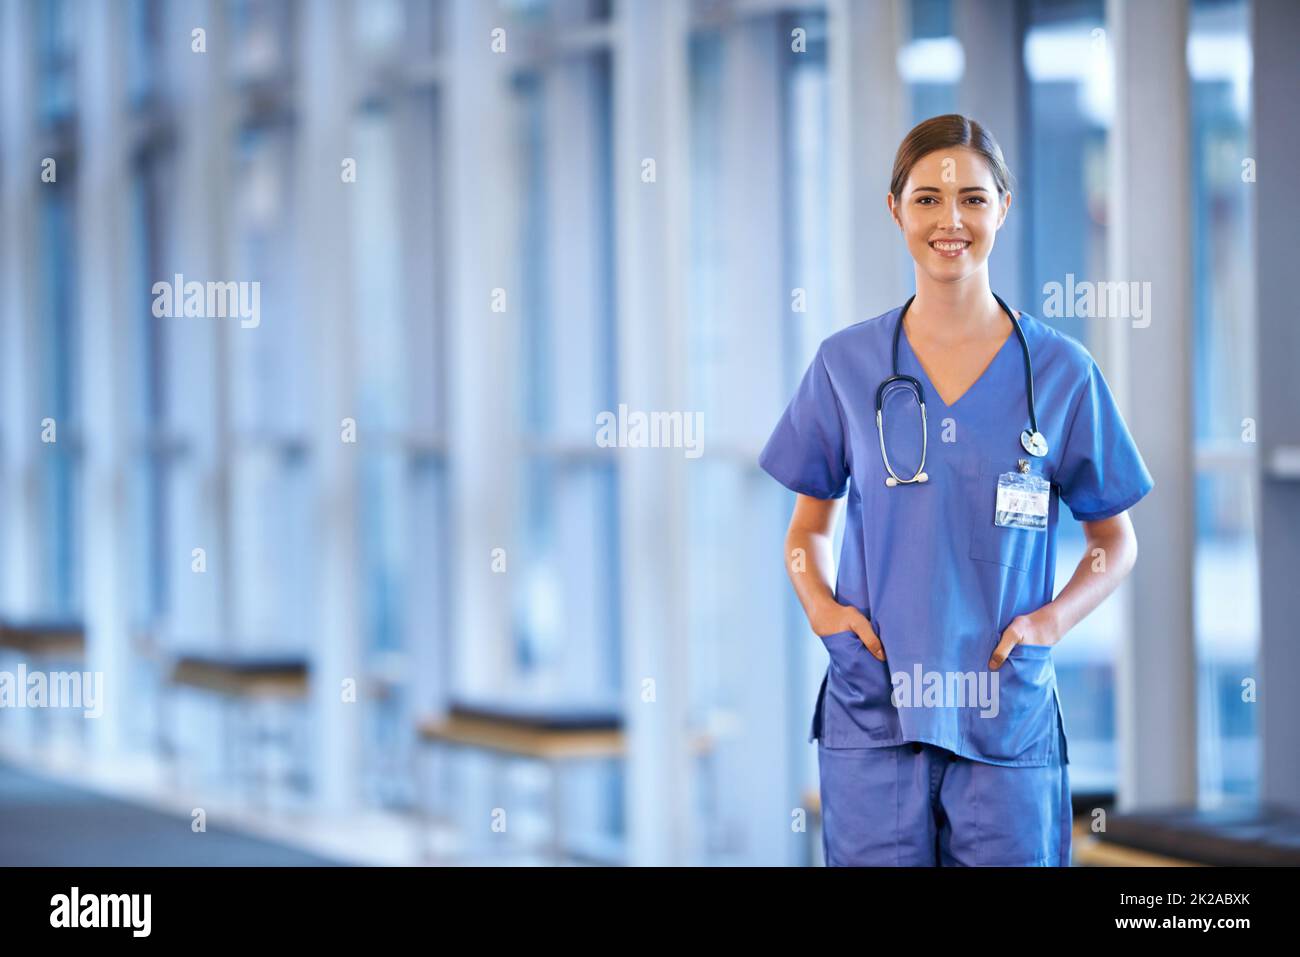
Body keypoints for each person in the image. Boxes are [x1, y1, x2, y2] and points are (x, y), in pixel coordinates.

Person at [758, 114, 1154, 866]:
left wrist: (1050, 625)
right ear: (896, 209)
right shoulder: (845, 365)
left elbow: (1116, 541)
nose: (951, 221)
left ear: (1004, 207)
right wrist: (825, 613)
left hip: (1003, 711)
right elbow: (807, 530)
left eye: (973, 199)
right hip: (876, 705)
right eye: (928, 199)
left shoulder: (1062, 373)